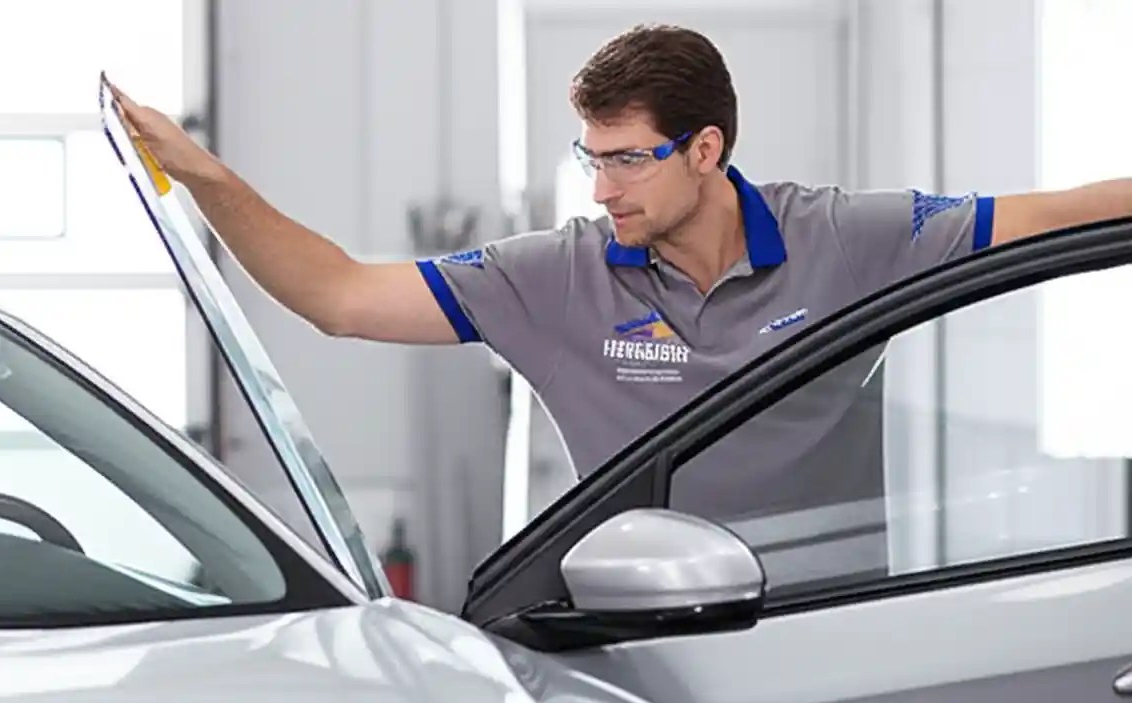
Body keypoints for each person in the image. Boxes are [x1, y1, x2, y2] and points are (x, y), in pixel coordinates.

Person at [113, 23, 1132, 540]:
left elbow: (1058, 217)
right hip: (640, 649)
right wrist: (205, 175)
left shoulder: (848, 238)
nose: (601, 186)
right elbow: (336, 296)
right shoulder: (554, 276)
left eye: (627, 159)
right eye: (589, 157)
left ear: (705, 150)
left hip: (829, 633)